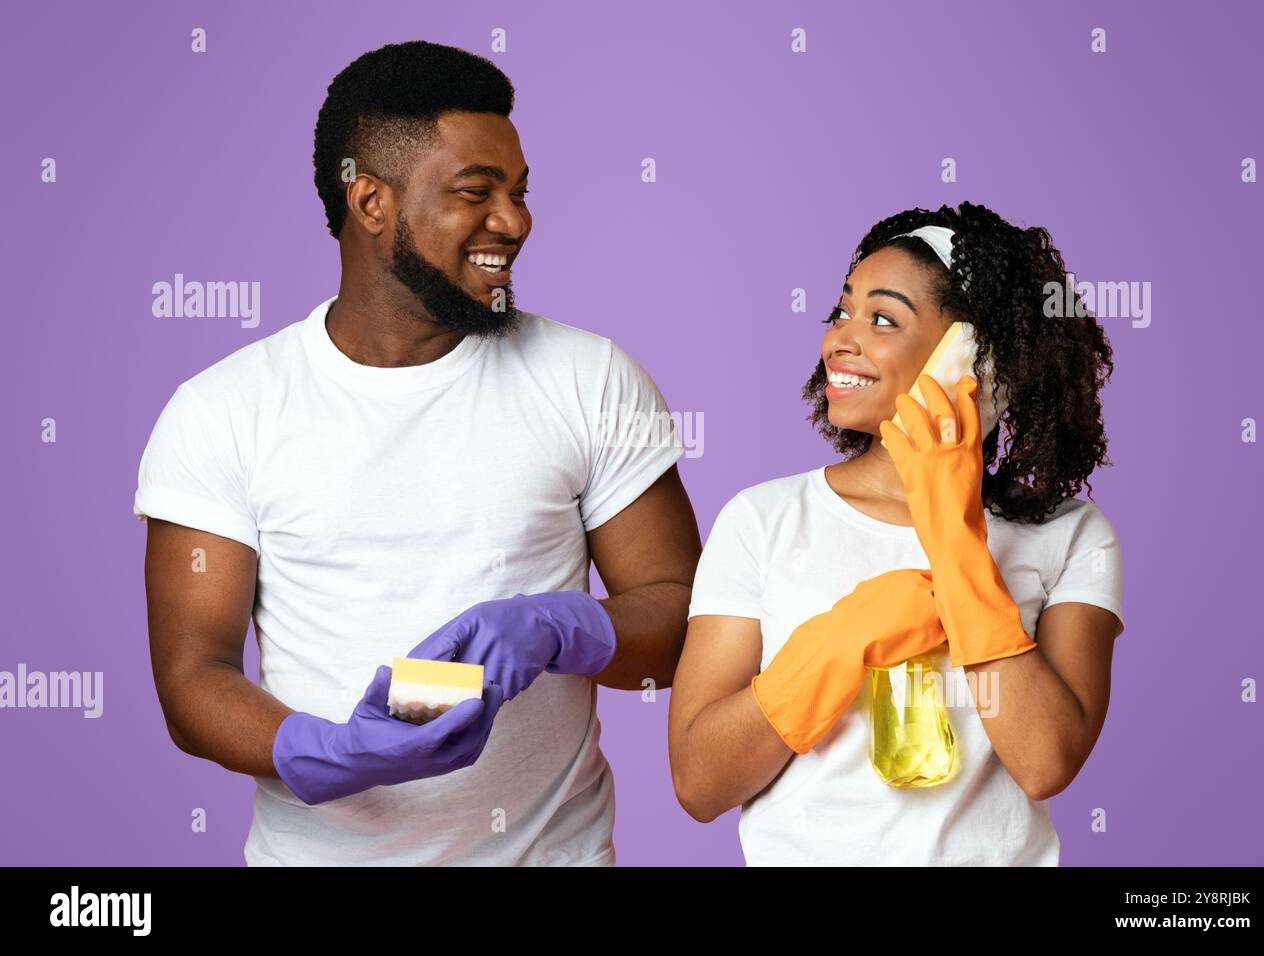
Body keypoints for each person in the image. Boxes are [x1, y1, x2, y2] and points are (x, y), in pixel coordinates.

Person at [136, 41, 701, 866]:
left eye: (519, 192)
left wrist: (559, 627)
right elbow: (193, 678)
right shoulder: (222, 412)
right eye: (477, 192)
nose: (514, 222)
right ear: (370, 201)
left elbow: (684, 619)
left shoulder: (590, 379)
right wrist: (324, 752)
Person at [668, 201, 1124, 866]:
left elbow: (1044, 760)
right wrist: (840, 641)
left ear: (973, 358)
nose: (840, 340)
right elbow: (699, 783)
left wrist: (955, 542)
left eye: (882, 319)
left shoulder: (1072, 535)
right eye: (841, 311)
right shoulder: (763, 519)